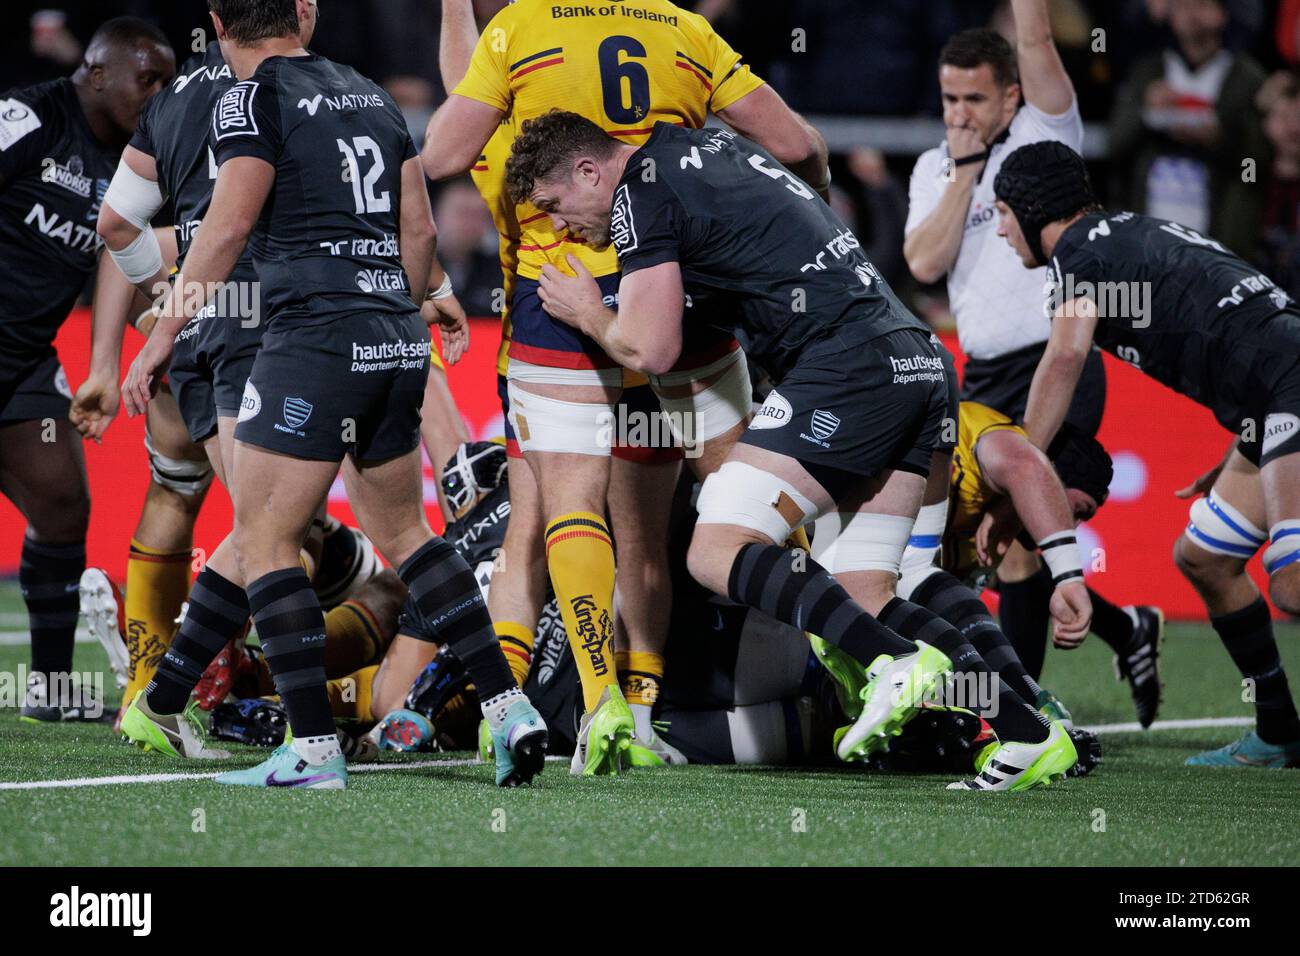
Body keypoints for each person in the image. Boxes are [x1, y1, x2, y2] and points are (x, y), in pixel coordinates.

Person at [508, 110, 1085, 792]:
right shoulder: (706, 144)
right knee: (866, 592)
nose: (559, 226)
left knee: (714, 551)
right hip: (918, 357)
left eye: (555, 205)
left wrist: (586, 311)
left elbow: (653, 348)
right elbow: (807, 150)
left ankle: (892, 663)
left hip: (849, 366)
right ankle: (1029, 733)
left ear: (589, 170)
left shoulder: (640, 191)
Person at [118, 0, 545, 790]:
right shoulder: (367, 90)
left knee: (269, 538)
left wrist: (159, 336)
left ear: (217, 22)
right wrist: (429, 293)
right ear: (304, 17)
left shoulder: (250, 97)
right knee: (407, 535)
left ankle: (312, 749)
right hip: (391, 333)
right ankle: (509, 705)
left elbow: (225, 227)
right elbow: (417, 231)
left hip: (314, 338)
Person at [420, 0, 825, 774]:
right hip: (673, 287)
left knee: (547, 518)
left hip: (555, 294)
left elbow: (445, 145)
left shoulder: (524, 31)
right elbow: (794, 143)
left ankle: (587, 704)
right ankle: (833, 651)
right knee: (747, 492)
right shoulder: (683, 28)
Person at [994, 138, 1300, 768]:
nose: (999, 230)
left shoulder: (1078, 253)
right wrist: (1246, 439)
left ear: (1029, 208)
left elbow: (1067, 356)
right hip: (1271, 395)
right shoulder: (1124, 233)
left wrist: (1023, 465)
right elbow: (1239, 317)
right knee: (1205, 557)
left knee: (1293, 583)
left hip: (1289, 386)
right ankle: (1279, 728)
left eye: (1001, 213)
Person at [903, 0, 1161, 710]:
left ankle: (1021, 705)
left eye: (975, 97)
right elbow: (924, 264)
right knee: (982, 551)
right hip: (983, 373)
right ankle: (1125, 626)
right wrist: (962, 173)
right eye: (949, 97)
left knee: (1017, 539)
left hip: (1061, 358)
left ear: (1011, 94)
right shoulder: (935, 167)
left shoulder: (1047, 141)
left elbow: (1039, 32)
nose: (960, 111)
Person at [0, 16, 174, 722]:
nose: (157, 94)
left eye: (167, 81)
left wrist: (169, 332)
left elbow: (126, 271)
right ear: (95, 71)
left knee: (63, 503)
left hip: (22, 365)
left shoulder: (135, 168)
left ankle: (45, 685)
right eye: (147, 78)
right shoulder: (29, 117)